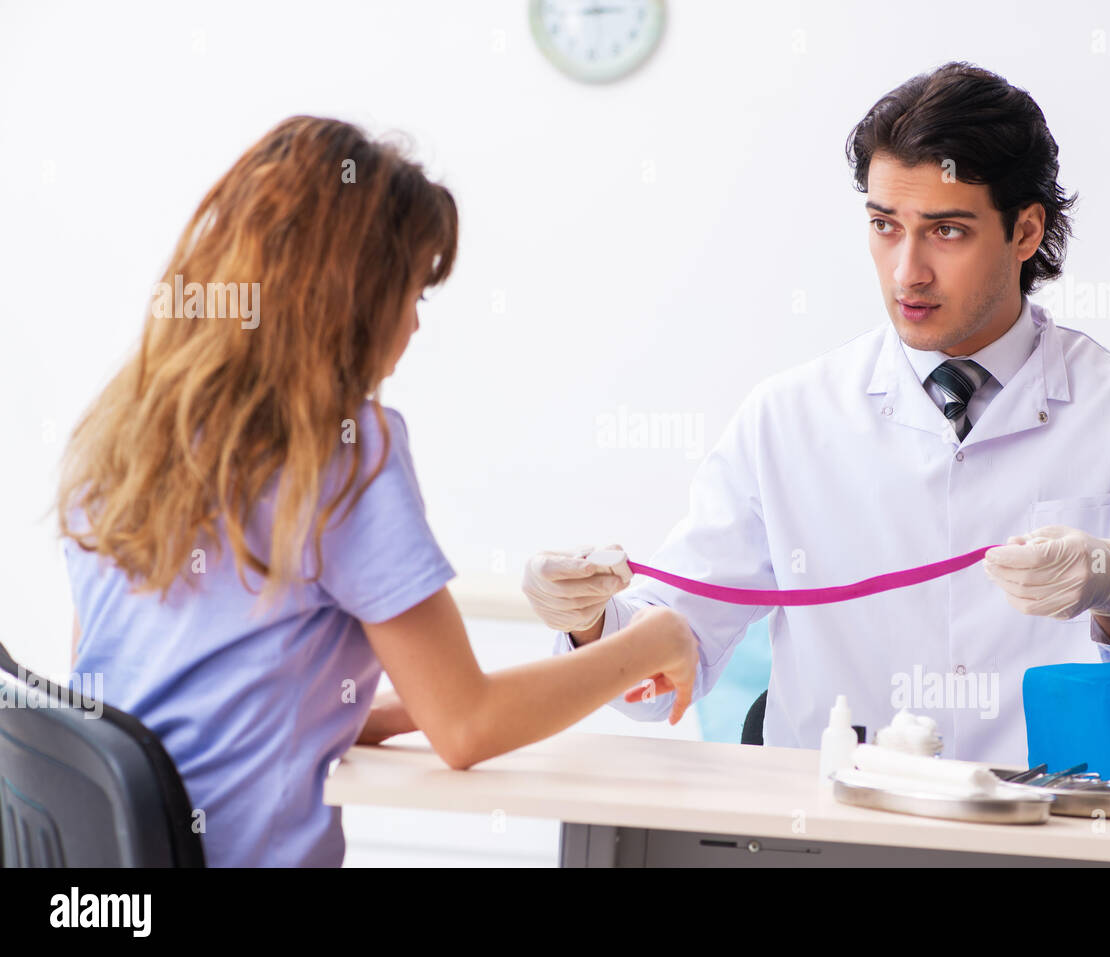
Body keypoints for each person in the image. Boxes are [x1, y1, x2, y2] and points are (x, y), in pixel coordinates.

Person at [522, 61, 1110, 764]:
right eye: (885, 225)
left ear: (1026, 231)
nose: (907, 270)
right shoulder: (787, 420)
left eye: (946, 230)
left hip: (1052, 836)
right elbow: (667, 663)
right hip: (830, 836)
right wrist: (587, 620)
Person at [56, 115, 697, 867]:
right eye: (413, 289)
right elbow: (467, 726)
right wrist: (654, 639)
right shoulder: (345, 453)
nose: (415, 324)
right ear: (351, 292)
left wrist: (372, 714)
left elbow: (145, 700)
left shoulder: (125, 432)